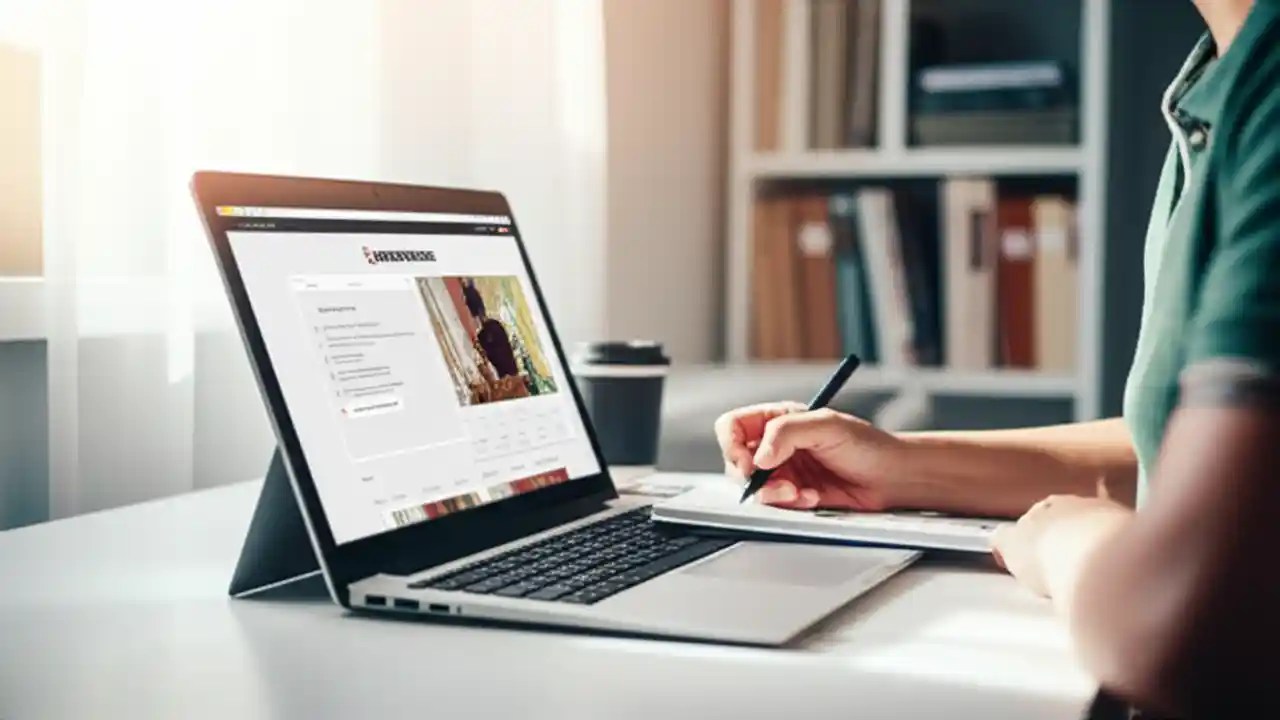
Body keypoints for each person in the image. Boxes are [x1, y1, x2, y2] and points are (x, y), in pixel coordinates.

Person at [715, 1, 1280, 715]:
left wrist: (1069, 545)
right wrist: (903, 464)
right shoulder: (1219, 84)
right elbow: (1187, 456)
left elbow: (1191, 632)